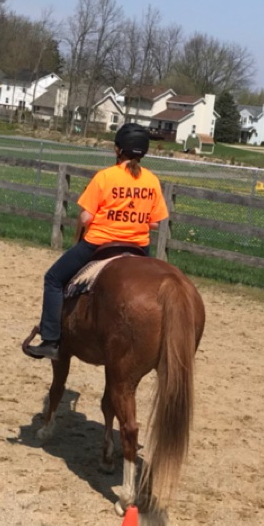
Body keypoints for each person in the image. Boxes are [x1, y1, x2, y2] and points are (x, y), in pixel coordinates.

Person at [23, 121, 169, 361]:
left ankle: (50, 340)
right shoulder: (152, 181)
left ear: (117, 149)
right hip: (139, 247)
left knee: (53, 279)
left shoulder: (105, 177)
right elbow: (155, 223)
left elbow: (86, 217)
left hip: (100, 243)